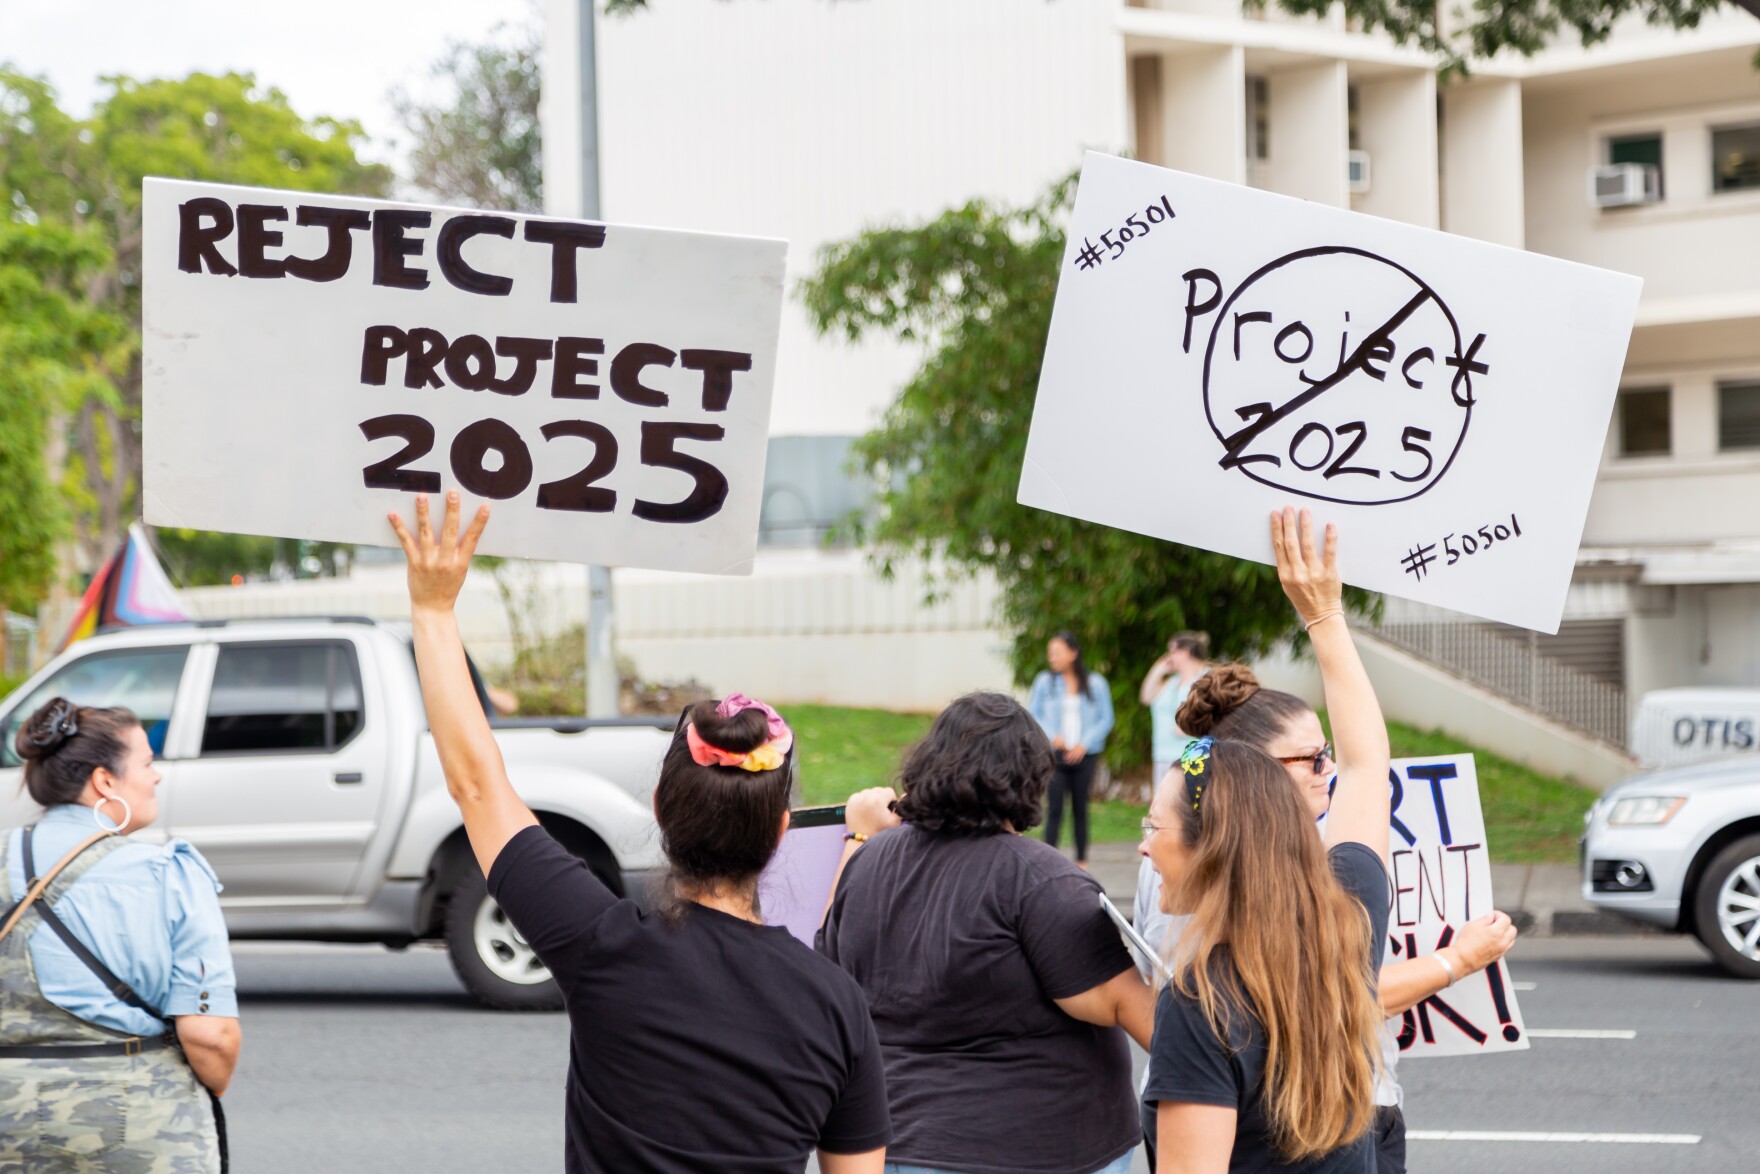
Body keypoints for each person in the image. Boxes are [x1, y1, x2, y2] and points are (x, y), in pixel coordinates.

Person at [389, 492, 889, 1174]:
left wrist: (433, 609)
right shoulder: (837, 1007)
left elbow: (476, 785)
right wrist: (859, 844)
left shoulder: (603, 947)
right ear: (778, 832)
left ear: (660, 806)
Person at [1139, 507, 1392, 1172]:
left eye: (1152, 829)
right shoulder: (1347, 914)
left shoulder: (1201, 1005)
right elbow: (1368, 768)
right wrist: (1324, 616)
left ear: (1211, 846)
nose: (1141, 849)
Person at [818, 691, 1153, 1174]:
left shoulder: (869, 860)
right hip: (1041, 1150)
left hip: (893, 1144)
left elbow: (827, 969)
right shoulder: (1042, 880)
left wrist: (859, 837)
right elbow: (1131, 1009)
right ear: (1030, 777)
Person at [1, 698, 240, 1172]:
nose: (156, 776)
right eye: (147, 763)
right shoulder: (168, 873)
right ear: (104, 781)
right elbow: (210, 1035)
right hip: (141, 1118)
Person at [1027, 632, 1114, 867]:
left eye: (1057, 652)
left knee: (1080, 807)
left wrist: (1083, 744)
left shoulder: (1096, 683)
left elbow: (1106, 719)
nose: (1052, 657)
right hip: (1054, 754)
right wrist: (1053, 736)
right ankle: (1048, 861)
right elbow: (1033, 713)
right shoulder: (1044, 682)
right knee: (1054, 807)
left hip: (1086, 754)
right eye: (1050, 653)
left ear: (1073, 653)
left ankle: (1082, 861)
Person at [1139, 631, 1211, 784]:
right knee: (1162, 806)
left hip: (1193, 755)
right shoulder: (1171, 682)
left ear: (1184, 652)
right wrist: (1157, 670)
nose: (1168, 657)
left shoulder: (1207, 678)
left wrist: (1192, 725)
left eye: (1171, 651)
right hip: (1163, 754)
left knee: (1188, 805)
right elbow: (1146, 698)